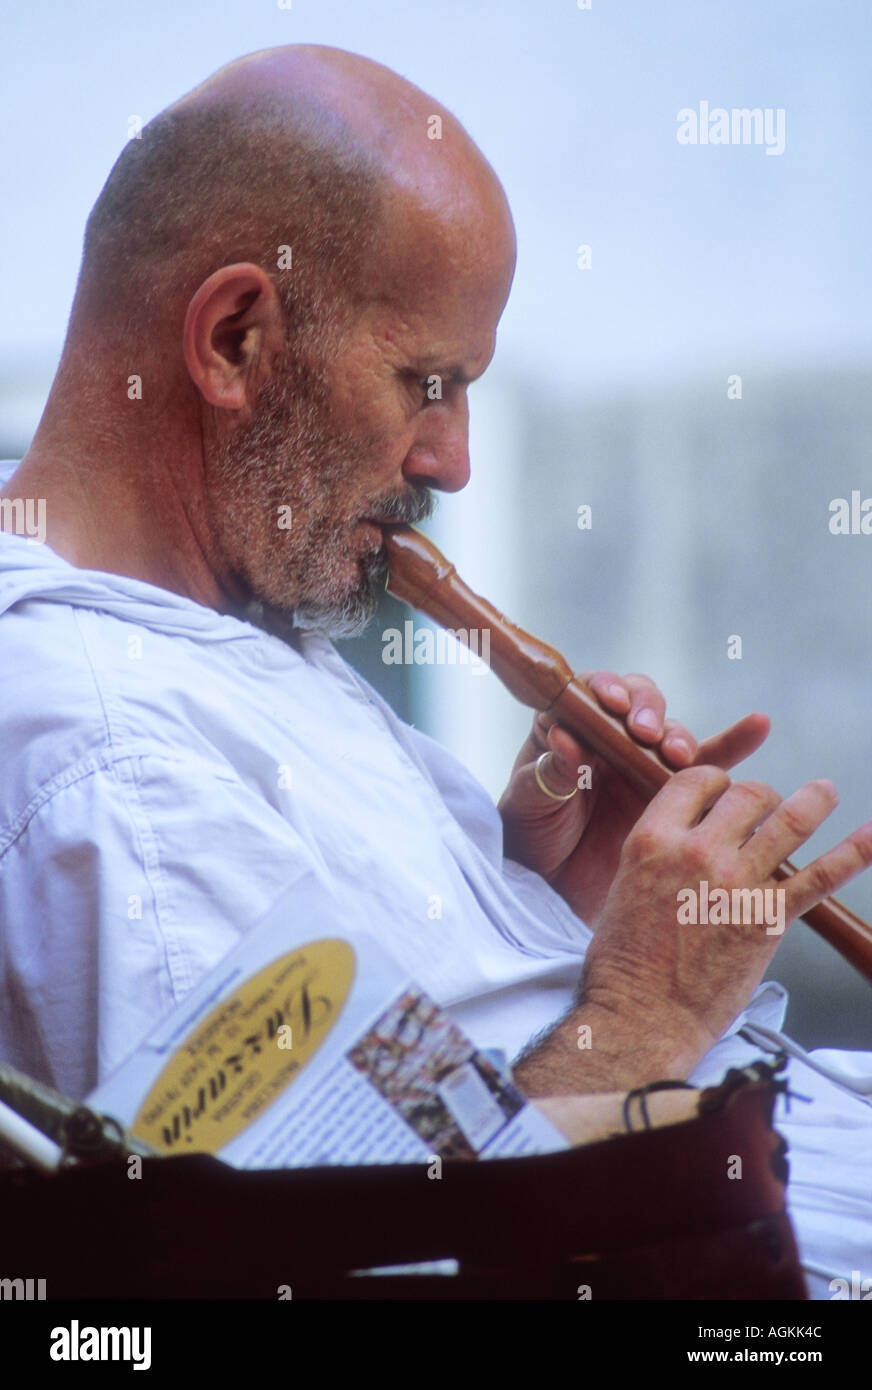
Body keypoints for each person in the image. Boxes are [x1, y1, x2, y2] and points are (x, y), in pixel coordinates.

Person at [0, 44, 869, 1298]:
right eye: (427, 383)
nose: (453, 461)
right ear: (234, 338)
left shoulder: (207, 619)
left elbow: (429, 1049)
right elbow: (387, 1266)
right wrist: (637, 1018)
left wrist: (541, 895)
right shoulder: (110, 764)